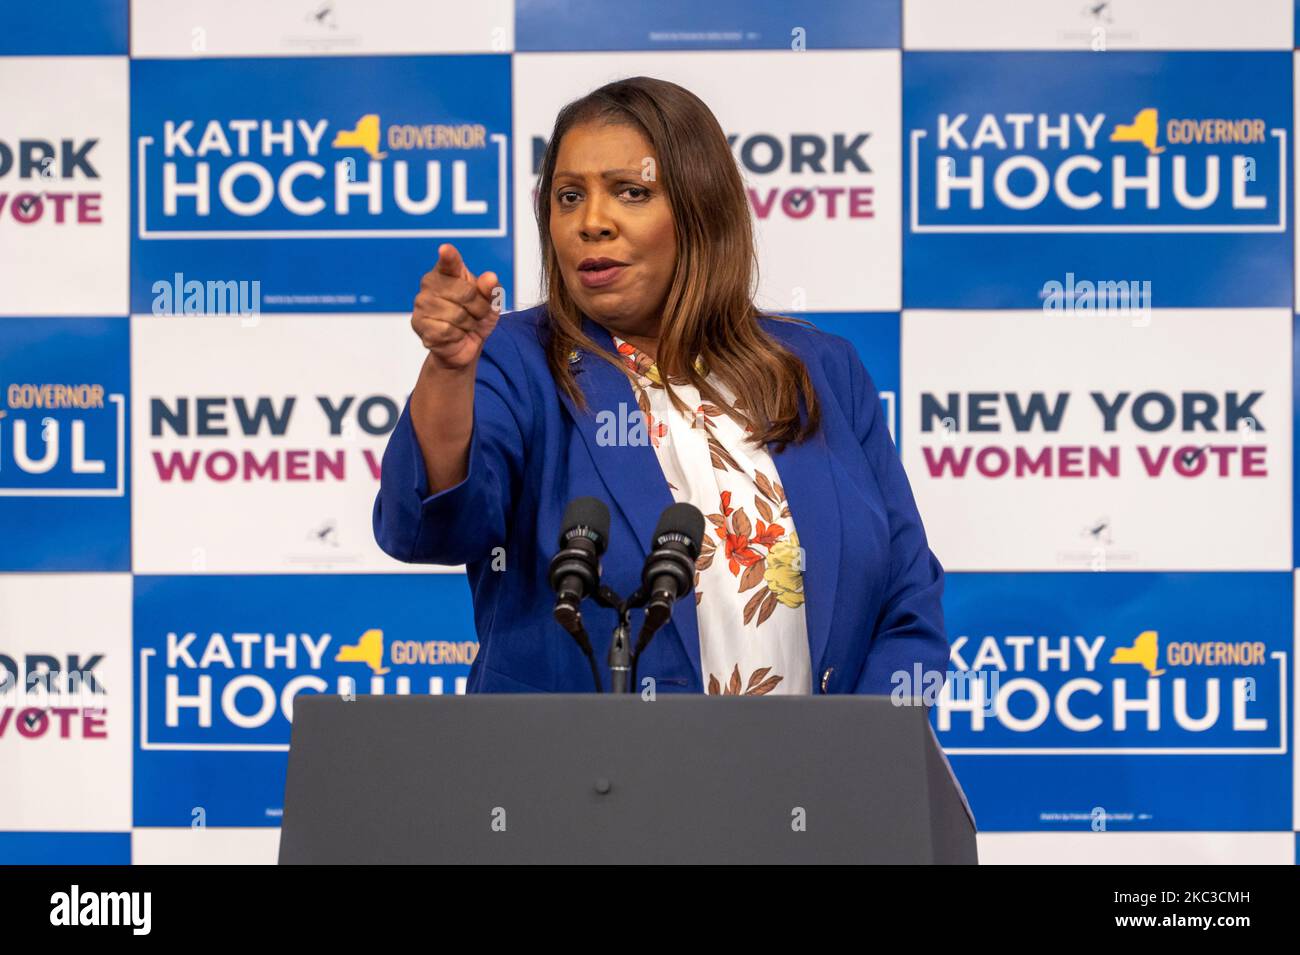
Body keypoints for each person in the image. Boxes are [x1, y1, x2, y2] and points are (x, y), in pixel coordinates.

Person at [373, 76, 947, 696]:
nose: (591, 222)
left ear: (702, 209)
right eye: (568, 197)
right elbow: (429, 529)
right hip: (579, 785)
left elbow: (906, 600)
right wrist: (450, 369)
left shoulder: (820, 368)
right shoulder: (518, 360)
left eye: (631, 192)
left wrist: (857, 765)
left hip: (812, 785)